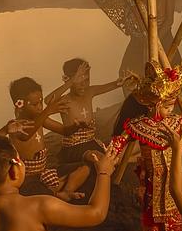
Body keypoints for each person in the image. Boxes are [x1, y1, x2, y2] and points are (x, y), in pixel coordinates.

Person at [110, 60, 182, 231]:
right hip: (151, 178)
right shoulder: (140, 125)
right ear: (153, 105)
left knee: (175, 211)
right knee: (150, 213)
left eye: (172, 107)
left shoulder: (177, 122)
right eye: (167, 107)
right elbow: (122, 139)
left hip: (175, 176)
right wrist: (112, 153)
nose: (170, 111)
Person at [52, 58, 137, 198]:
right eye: (79, 80)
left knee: (120, 151)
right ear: (70, 80)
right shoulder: (65, 100)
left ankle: (124, 160)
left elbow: (111, 85)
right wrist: (71, 81)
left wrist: (121, 81)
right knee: (100, 159)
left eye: (87, 80)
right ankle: (68, 191)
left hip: (92, 142)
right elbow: (49, 100)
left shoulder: (89, 92)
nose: (83, 85)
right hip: (74, 147)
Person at [8, 75, 84, 201]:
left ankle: (66, 191)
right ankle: (56, 193)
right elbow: (27, 135)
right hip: (26, 179)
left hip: (43, 173)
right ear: (19, 104)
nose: (40, 107)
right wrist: (48, 111)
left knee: (84, 168)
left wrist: (76, 126)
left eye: (41, 102)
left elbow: (65, 131)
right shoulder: (14, 127)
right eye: (34, 104)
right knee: (36, 192)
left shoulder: (41, 119)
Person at [119, 0, 176, 88]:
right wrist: (131, 26)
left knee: (173, 78)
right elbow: (128, 17)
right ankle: (137, 107)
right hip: (139, 39)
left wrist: (152, 42)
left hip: (163, 38)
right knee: (125, 75)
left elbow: (169, 20)